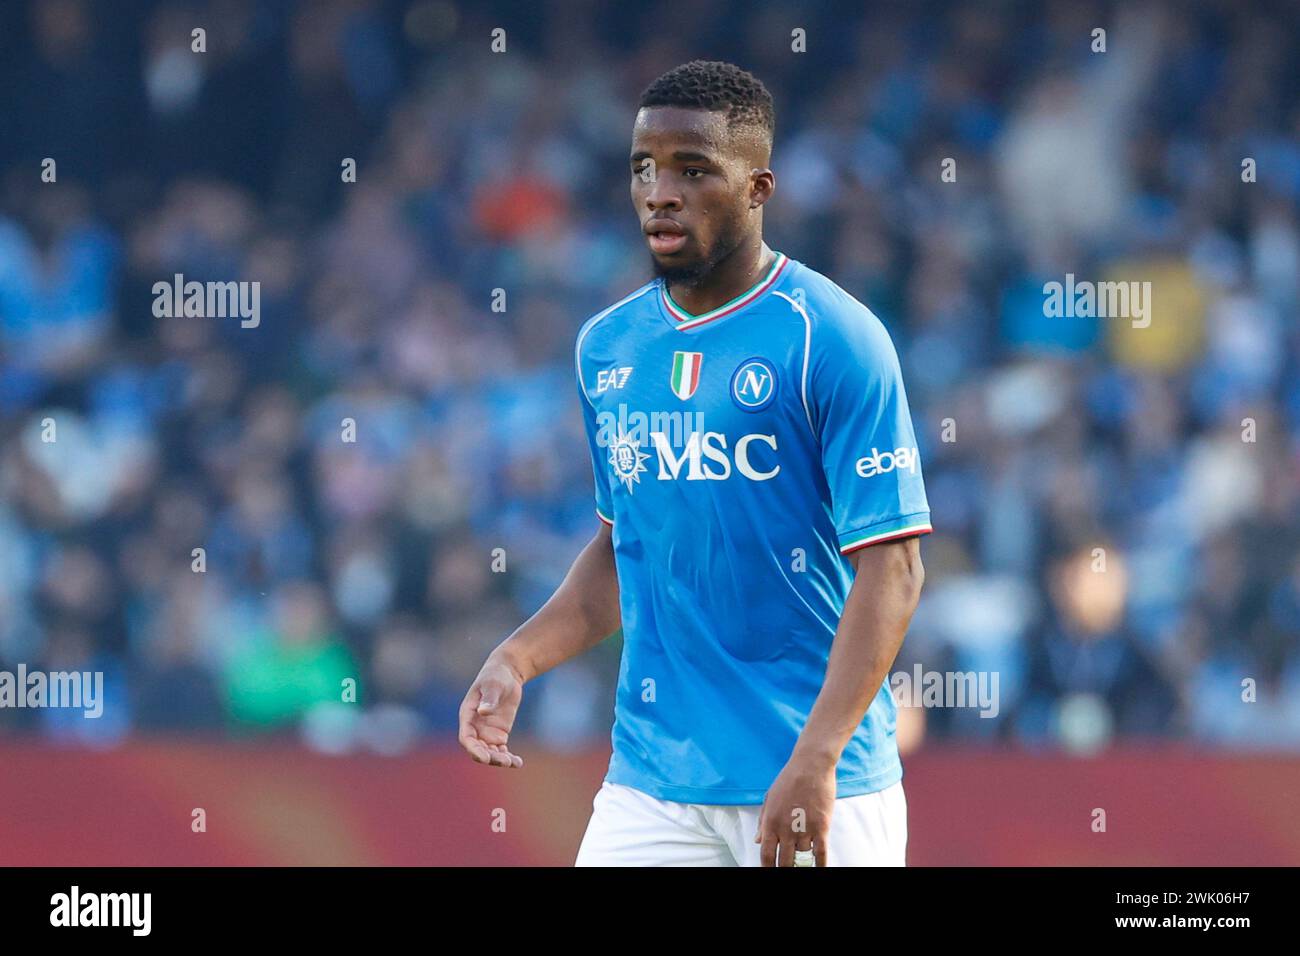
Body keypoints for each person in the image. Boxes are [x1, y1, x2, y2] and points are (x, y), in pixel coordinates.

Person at [459, 60, 931, 866]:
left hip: (819, 780)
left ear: (759, 187)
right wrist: (516, 657)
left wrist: (816, 757)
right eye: (643, 167)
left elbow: (895, 566)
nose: (658, 192)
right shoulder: (607, 347)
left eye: (692, 169)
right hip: (653, 784)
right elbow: (626, 547)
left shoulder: (834, 339)